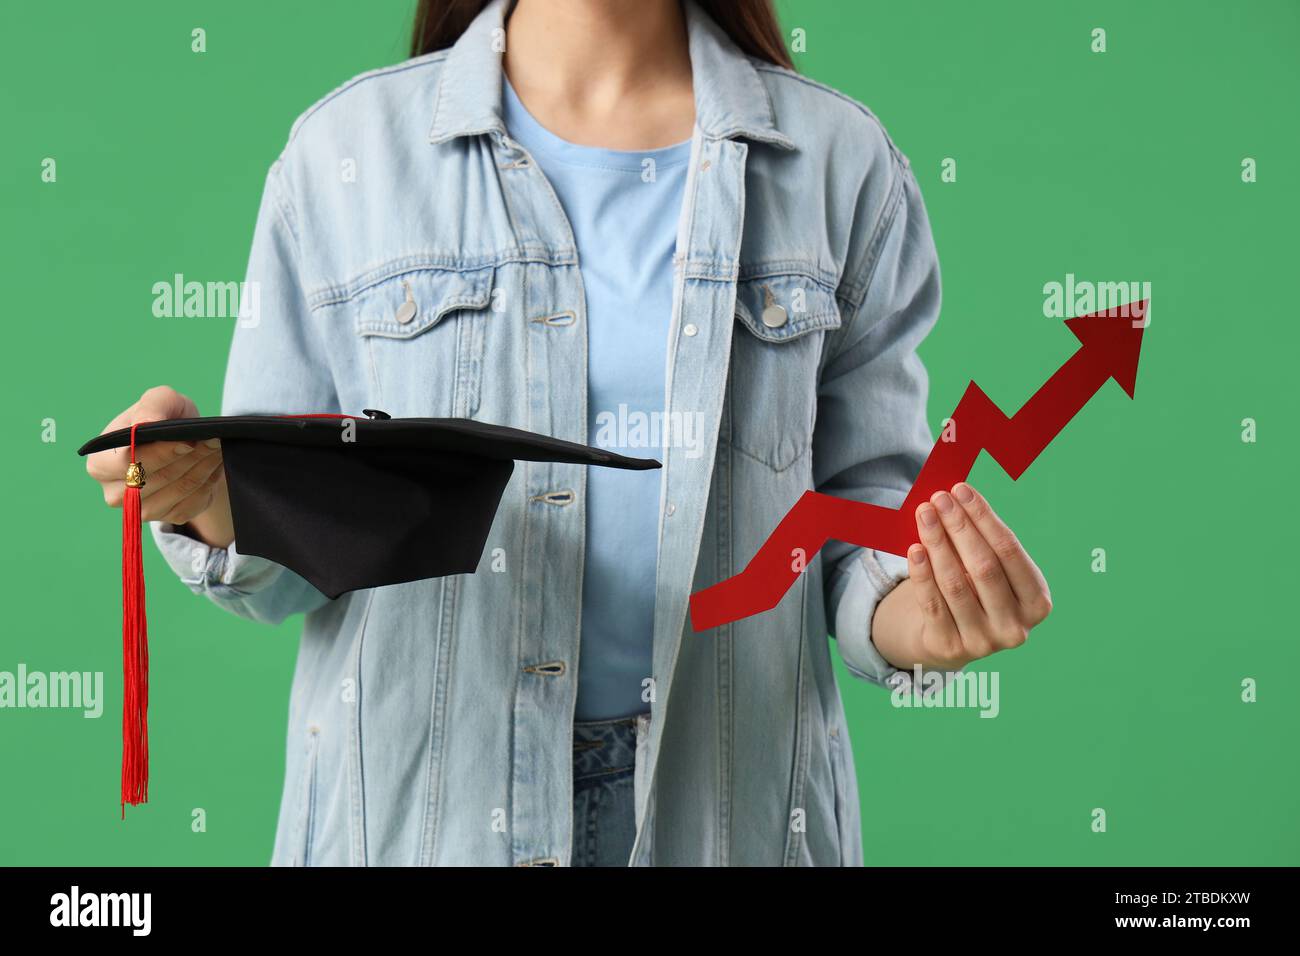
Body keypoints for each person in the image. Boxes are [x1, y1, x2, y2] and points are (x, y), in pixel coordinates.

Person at [86, 0, 1051, 866]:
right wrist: (213, 498)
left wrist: (918, 614)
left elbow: (860, 520)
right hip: (422, 825)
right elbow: (292, 559)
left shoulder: (839, 165)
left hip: (733, 821)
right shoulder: (346, 157)